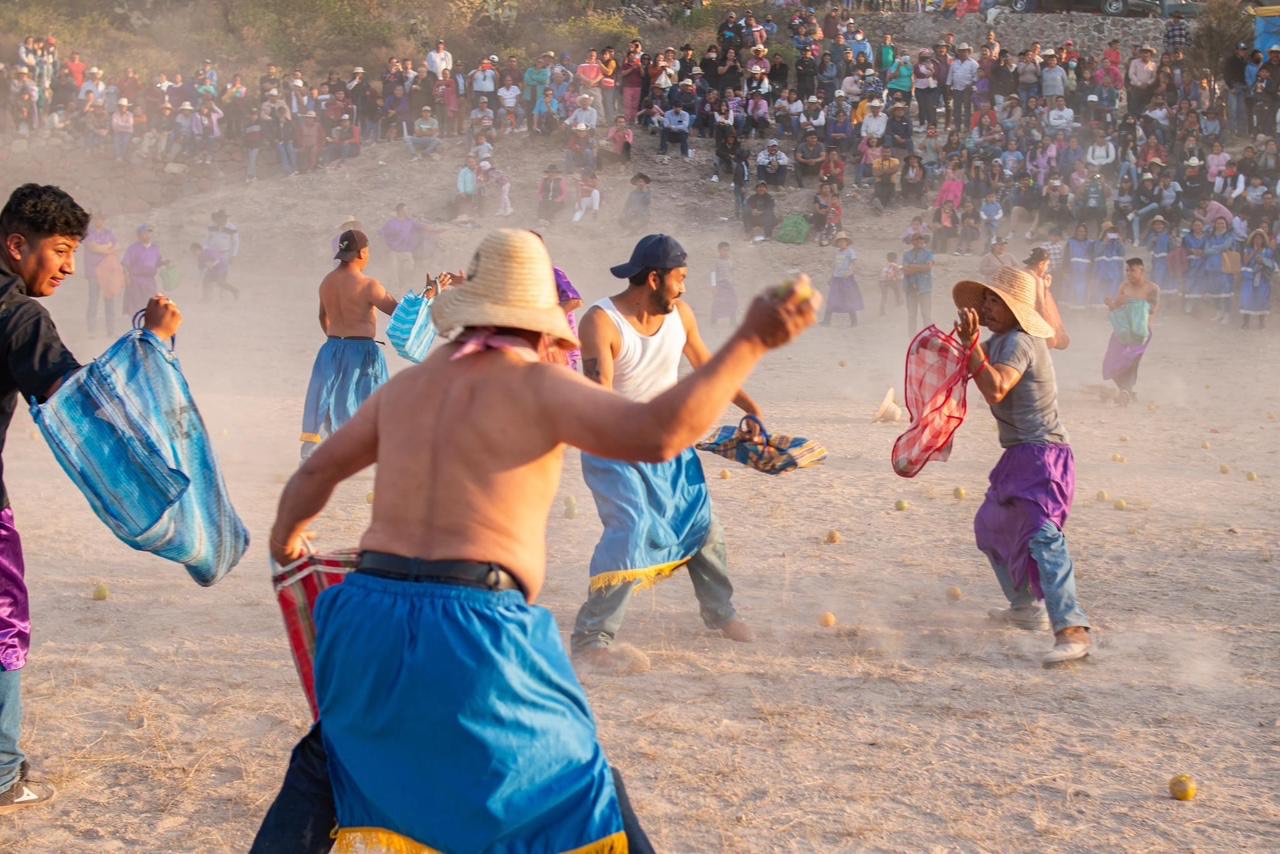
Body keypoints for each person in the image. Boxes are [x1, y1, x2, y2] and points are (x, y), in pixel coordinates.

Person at [254, 229, 816, 851]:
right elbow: (659, 434)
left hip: (362, 614)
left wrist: (286, 545)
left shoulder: (406, 389)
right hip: (476, 622)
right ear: (539, 322)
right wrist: (752, 340)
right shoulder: (536, 383)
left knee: (333, 758)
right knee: (580, 784)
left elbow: (315, 474)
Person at [0, 184, 182, 814]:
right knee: (2, 627)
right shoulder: (18, 317)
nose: (70, 267)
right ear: (17, 245)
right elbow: (77, 404)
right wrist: (151, 343)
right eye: (60, 250)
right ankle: (2, 774)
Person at [570, 235, 763, 674]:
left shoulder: (681, 316)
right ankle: (591, 639)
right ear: (654, 279)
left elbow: (711, 370)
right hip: (613, 445)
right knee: (631, 530)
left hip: (668, 443)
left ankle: (721, 613)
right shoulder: (601, 322)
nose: (684, 288)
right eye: (680, 278)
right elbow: (600, 399)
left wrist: (751, 410)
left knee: (705, 527)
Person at [953, 267, 1092, 666]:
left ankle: (1072, 630)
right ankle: (1025, 607)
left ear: (1016, 309)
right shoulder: (999, 341)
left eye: (995, 301)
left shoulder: (1019, 341)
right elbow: (972, 369)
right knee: (990, 525)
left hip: (1043, 454)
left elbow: (996, 387)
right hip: (1020, 454)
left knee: (1043, 537)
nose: (986, 307)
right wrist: (962, 347)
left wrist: (970, 347)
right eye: (985, 300)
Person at [299, 230, 397, 459]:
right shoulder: (369, 285)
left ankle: (311, 453)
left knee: (326, 400)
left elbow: (322, 316)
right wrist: (430, 294)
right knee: (370, 403)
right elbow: (399, 312)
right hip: (361, 351)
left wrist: (336, 339)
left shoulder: (327, 282)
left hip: (331, 347)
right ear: (362, 252)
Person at [1103, 258, 1158, 405]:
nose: (1129, 273)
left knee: (1131, 362)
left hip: (1141, 332)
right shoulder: (1124, 286)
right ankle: (1126, 391)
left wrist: (1129, 301)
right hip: (1123, 330)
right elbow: (1116, 308)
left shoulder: (1152, 288)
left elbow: (1151, 309)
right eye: (1127, 270)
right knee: (1111, 361)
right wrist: (1111, 304)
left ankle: (1125, 392)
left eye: (1132, 270)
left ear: (1142, 271)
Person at [824, 232, 863, 326]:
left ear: (847, 242)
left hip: (847, 279)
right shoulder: (837, 253)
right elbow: (836, 266)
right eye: (839, 241)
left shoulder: (850, 252)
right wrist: (831, 277)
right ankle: (826, 321)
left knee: (849, 299)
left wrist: (850, 272)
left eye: (843, 241)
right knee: (832, 298)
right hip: (836, 279)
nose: (841, 243)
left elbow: (856, 264)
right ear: (837, 243)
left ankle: (854, 322)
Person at [202, 209, 239, 302]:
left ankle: (223, 296)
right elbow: (206, 240)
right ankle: (207, 297)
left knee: (222, 277)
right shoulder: (211, 227)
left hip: (224, 255)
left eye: (225, 218)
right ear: (217, 218)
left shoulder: (232, 228)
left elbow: (236, 243)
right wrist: (206, 251)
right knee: (208, 276)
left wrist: (233, 255)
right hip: (212, 254)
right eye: (220, 218)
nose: (223, 220)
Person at [1239, 229, 1274, 329]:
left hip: (1262, 277)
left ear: (1264, 240)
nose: (1258, 240)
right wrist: (1255, 251)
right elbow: (1245, 262)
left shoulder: (1268, 251)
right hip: (1249, 277)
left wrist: (1263, 261)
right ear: (1252, 239)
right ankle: (1246, 323)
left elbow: (1272, 264)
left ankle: (1261, 323)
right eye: (1256, 238)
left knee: (1261, 298)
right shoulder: (1248, 249)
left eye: (1260, 238)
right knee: (1247, 298)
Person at [902, 232, 934, 334]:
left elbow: (928, 268)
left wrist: (912, 266)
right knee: (912, 315)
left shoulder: (928, 253)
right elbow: (906, 270)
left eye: (921, 238)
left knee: (926, 314)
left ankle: (929, 335)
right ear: (912, 241)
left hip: (924, 288)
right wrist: (921, 267)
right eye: (916, 239)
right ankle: (912, 337)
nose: (919, 241)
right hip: (910, 288)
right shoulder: (907, 254)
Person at [709, 240, 739, 324]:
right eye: (724, 250)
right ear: (719, 251)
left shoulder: (730, 262)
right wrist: (713, 286)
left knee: (732, 301)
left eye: (727, 250)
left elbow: (732, 273)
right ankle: (714, 320)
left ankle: (732, 320)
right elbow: (713, 274)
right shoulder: (716, 262)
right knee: (718, 302)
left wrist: (734, 283)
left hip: (729, 284)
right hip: (720, 284)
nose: (726, 252)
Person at [879, 251, 903, 317]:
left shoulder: (885, 265)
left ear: (887, 259)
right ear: (895, 259)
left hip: (882, 281)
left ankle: (882, 310)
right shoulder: (895, 265)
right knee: (897, 289)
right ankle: (899, 301)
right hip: (890, 281)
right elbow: (900, 271)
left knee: (884, 296)